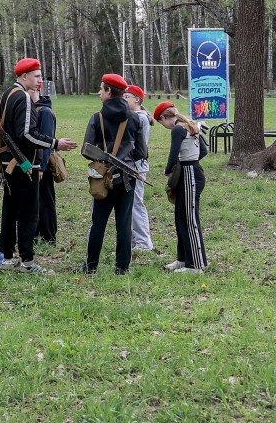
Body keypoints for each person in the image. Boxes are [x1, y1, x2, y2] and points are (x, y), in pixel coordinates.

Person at [0, 58, 78, 274]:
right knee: (28, 213)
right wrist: (55, 143)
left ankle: (6, 257)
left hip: (9, 163)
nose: (40, 81)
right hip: (23, 164)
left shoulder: (7, 93)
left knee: (10, 210)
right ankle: (28, 262)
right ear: (24, 76)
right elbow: (26, 135)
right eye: (36, 76)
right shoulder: (22, 96)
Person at [81, 74, 148, 275]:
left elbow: (86, 150)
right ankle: (122, 268)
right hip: (126, 179)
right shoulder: (135, 118)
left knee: (98, 223)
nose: (99, 93)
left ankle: (91, 267)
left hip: (102, 179)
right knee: (124, 224)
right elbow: (141, 153)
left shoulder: (97, 118)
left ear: (109, 91)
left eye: (101, 89)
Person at [153, 101, 209, 274]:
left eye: (161, 123)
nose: (164, 126)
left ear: (163, 118)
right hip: (191, 172)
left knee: (190, 220)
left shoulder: (178, 129)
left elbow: (172, 155)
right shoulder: (189, 125)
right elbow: (204, 151)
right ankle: (183, 259)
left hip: (190, 174)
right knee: (180, 218)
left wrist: (168, 170)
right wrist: (192, 158)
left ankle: (196, 265)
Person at [124, 84, 154, 254]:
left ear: (137, 99)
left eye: (127, 97)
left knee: (136, 203)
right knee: (131, 203)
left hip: (137, 165)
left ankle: (143, 241)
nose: (124, 99)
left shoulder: (140, 118)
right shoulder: (135, 116)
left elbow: (138, 146)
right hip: (132, 165)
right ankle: (136, 239)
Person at [35, 81, 59, 245]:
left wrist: (42, 167)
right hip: (32, 164)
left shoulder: (45, 112)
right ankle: (36, 232)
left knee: (46, 200)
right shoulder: (30, 109)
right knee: (35, 200)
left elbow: (47, 142)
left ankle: (49, 236)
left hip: (43, 164)